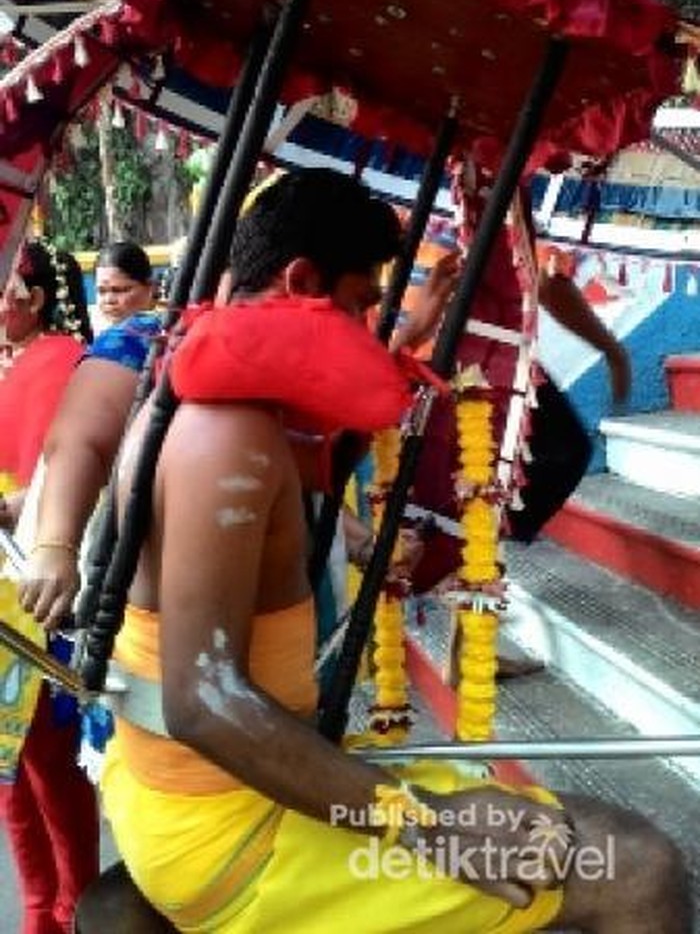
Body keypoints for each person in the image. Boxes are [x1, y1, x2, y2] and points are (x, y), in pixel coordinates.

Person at [94, 169, 687, 933]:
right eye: (354, 307)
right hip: (234, 838)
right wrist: (433, 824)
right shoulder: (226, 436)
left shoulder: (201, 398)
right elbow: (204, 702)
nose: (362, 332)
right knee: (635, 866)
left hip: (216, 799)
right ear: (300, 279)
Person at [0, 239, 98, 934]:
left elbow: (72, 474)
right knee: (11, 772)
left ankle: (75, 907)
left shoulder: (64, 362)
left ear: (35, 299)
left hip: (36, 588)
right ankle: (42, 909)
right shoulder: (14, 361)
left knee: (47, 766)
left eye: (7, 284)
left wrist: (21, 503)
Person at [20, 240, 161, 632]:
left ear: (150, 289)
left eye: (121, 290)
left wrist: (55, 545)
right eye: (102, 292)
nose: (111, 301)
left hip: (115, 535)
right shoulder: (114, 345)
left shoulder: (135, 339)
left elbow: (81, 443)